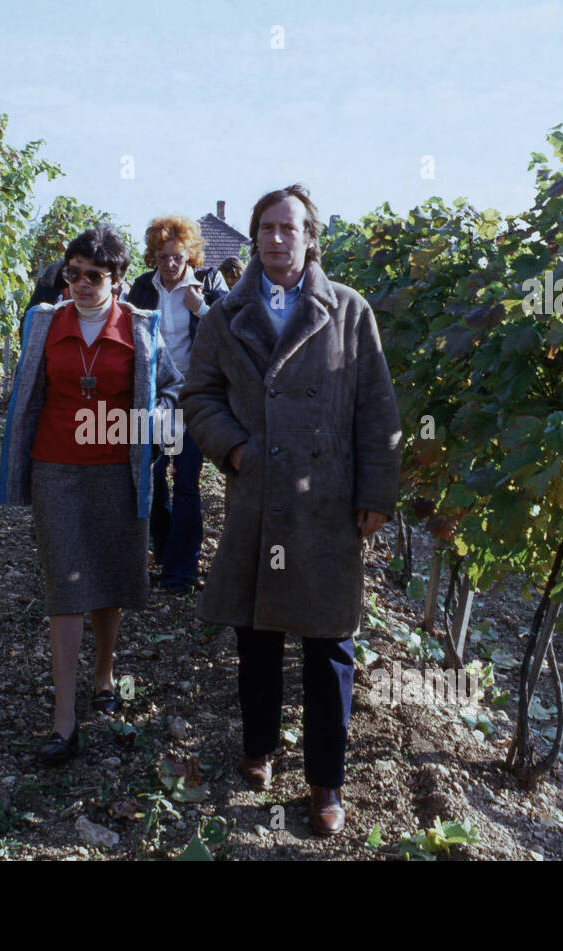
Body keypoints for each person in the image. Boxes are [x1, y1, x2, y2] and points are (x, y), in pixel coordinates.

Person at [180, 184, 401, 835]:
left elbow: (377, 409)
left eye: (290, 227)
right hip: (259, 499)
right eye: (267, 227)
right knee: (257, 633)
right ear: (254, 237)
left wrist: (376, 493)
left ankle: (326, 782)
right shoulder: (226, 317)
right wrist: (238, 449)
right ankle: (259, 745)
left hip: (329, 505)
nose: (278, 238)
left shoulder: (350, 313)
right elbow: (199, 395)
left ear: (311, 237)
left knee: (331, 644)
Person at [0, 224, 183, 765]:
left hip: (116, 471)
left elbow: (170, 386)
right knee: (65, 584)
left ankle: (104, 672)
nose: (79, 283)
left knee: (110, 577)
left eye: (93, 276)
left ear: (118, 280)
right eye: (71, 273)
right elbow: (25, 390)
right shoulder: (43, 324)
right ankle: (64, 721)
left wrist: (156, 422)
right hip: (55, 469)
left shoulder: (140, 330)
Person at [125, 216, 227, 593]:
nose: (170, 264)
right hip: (150, 399)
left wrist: (200, 308)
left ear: (189, 256)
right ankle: (164, 555)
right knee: (150, 482)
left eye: (178, 257)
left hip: (192, 399)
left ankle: (180, 573)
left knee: (186, 482)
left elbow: (232, 328)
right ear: (154, 256)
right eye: (164, 256)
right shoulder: (141, 289)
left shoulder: (208, 285)